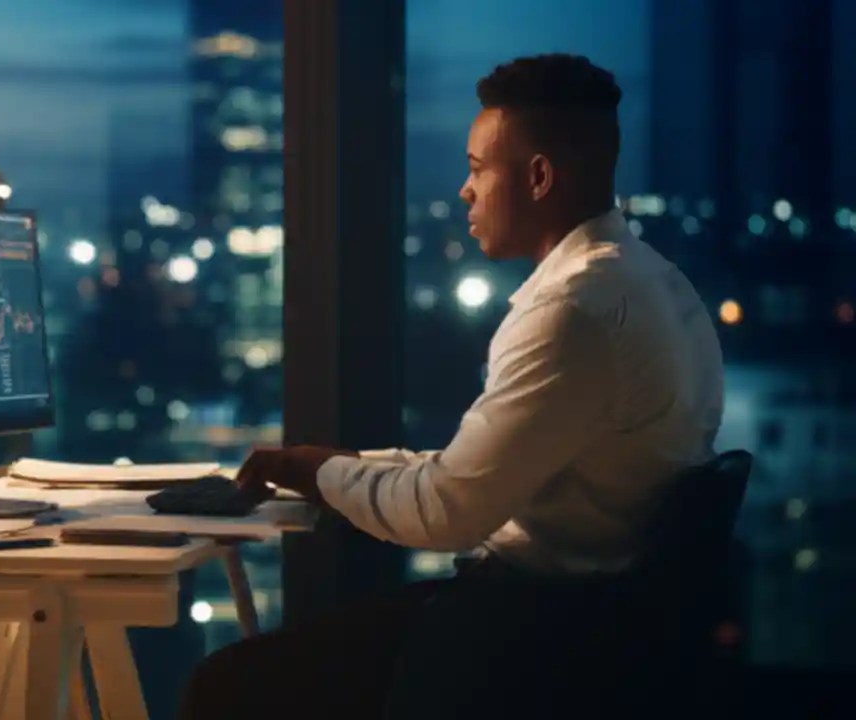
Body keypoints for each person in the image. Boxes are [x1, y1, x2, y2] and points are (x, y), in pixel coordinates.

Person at [179, 53, 724, 719]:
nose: (464, 191)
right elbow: (478, 477)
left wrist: (312, 468)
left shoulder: (574, 310)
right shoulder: (656, 283)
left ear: (539, 177)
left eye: (475, 169)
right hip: (589, 628)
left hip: (527, 642)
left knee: (230, 686)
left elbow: (447, 511)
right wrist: (333, 467)